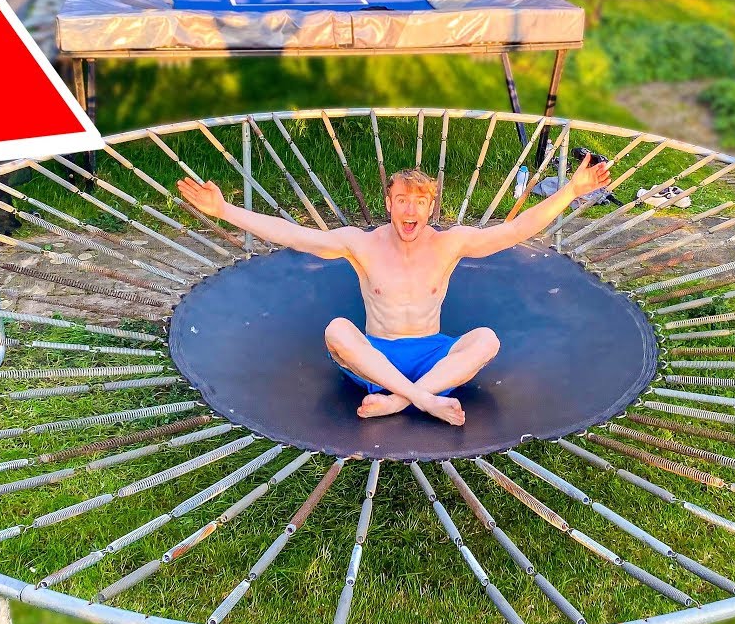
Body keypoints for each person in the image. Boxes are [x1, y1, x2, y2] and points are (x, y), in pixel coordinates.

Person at [176, 155, 612, 426]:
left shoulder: (449, 244)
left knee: (487, 341)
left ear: (430, 208)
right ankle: (424, 399)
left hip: (433, 355)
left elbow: (516, 230)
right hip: (376, 357)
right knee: (337, 331)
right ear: (389, 204)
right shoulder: (361, 244)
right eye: (402, 199)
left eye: (419, 202)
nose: (410, 209)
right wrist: (225, 209)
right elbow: (293, 234)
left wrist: (572, 190)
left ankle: (399, 402)